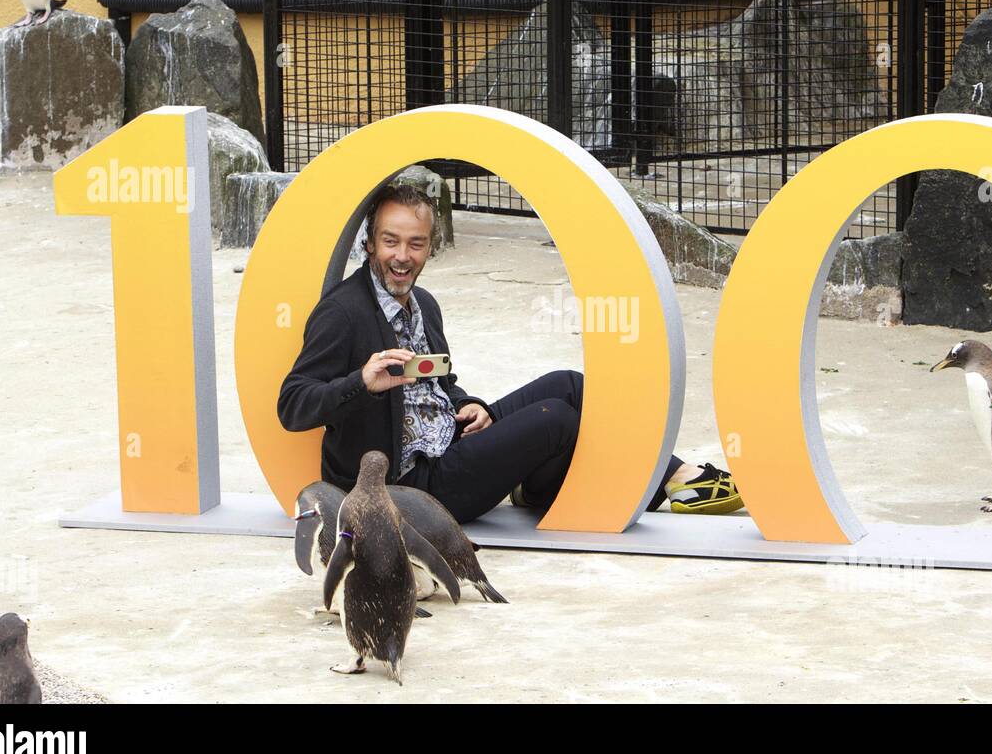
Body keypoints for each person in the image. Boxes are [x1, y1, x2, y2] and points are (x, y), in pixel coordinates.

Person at [277, 183, 743, 523]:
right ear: (369, 244)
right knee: (555, 420)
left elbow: (442, 386)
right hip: (411, 486)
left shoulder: (424, 305)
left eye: (415, 244)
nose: (403, 256)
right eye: (390, 241)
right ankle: (666, 483)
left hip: (450, 438)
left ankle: (659, 473)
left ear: (429, 248)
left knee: (570, 385)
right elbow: (292, 405)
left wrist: (470, 406)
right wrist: (361, 382)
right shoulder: (342, 312)